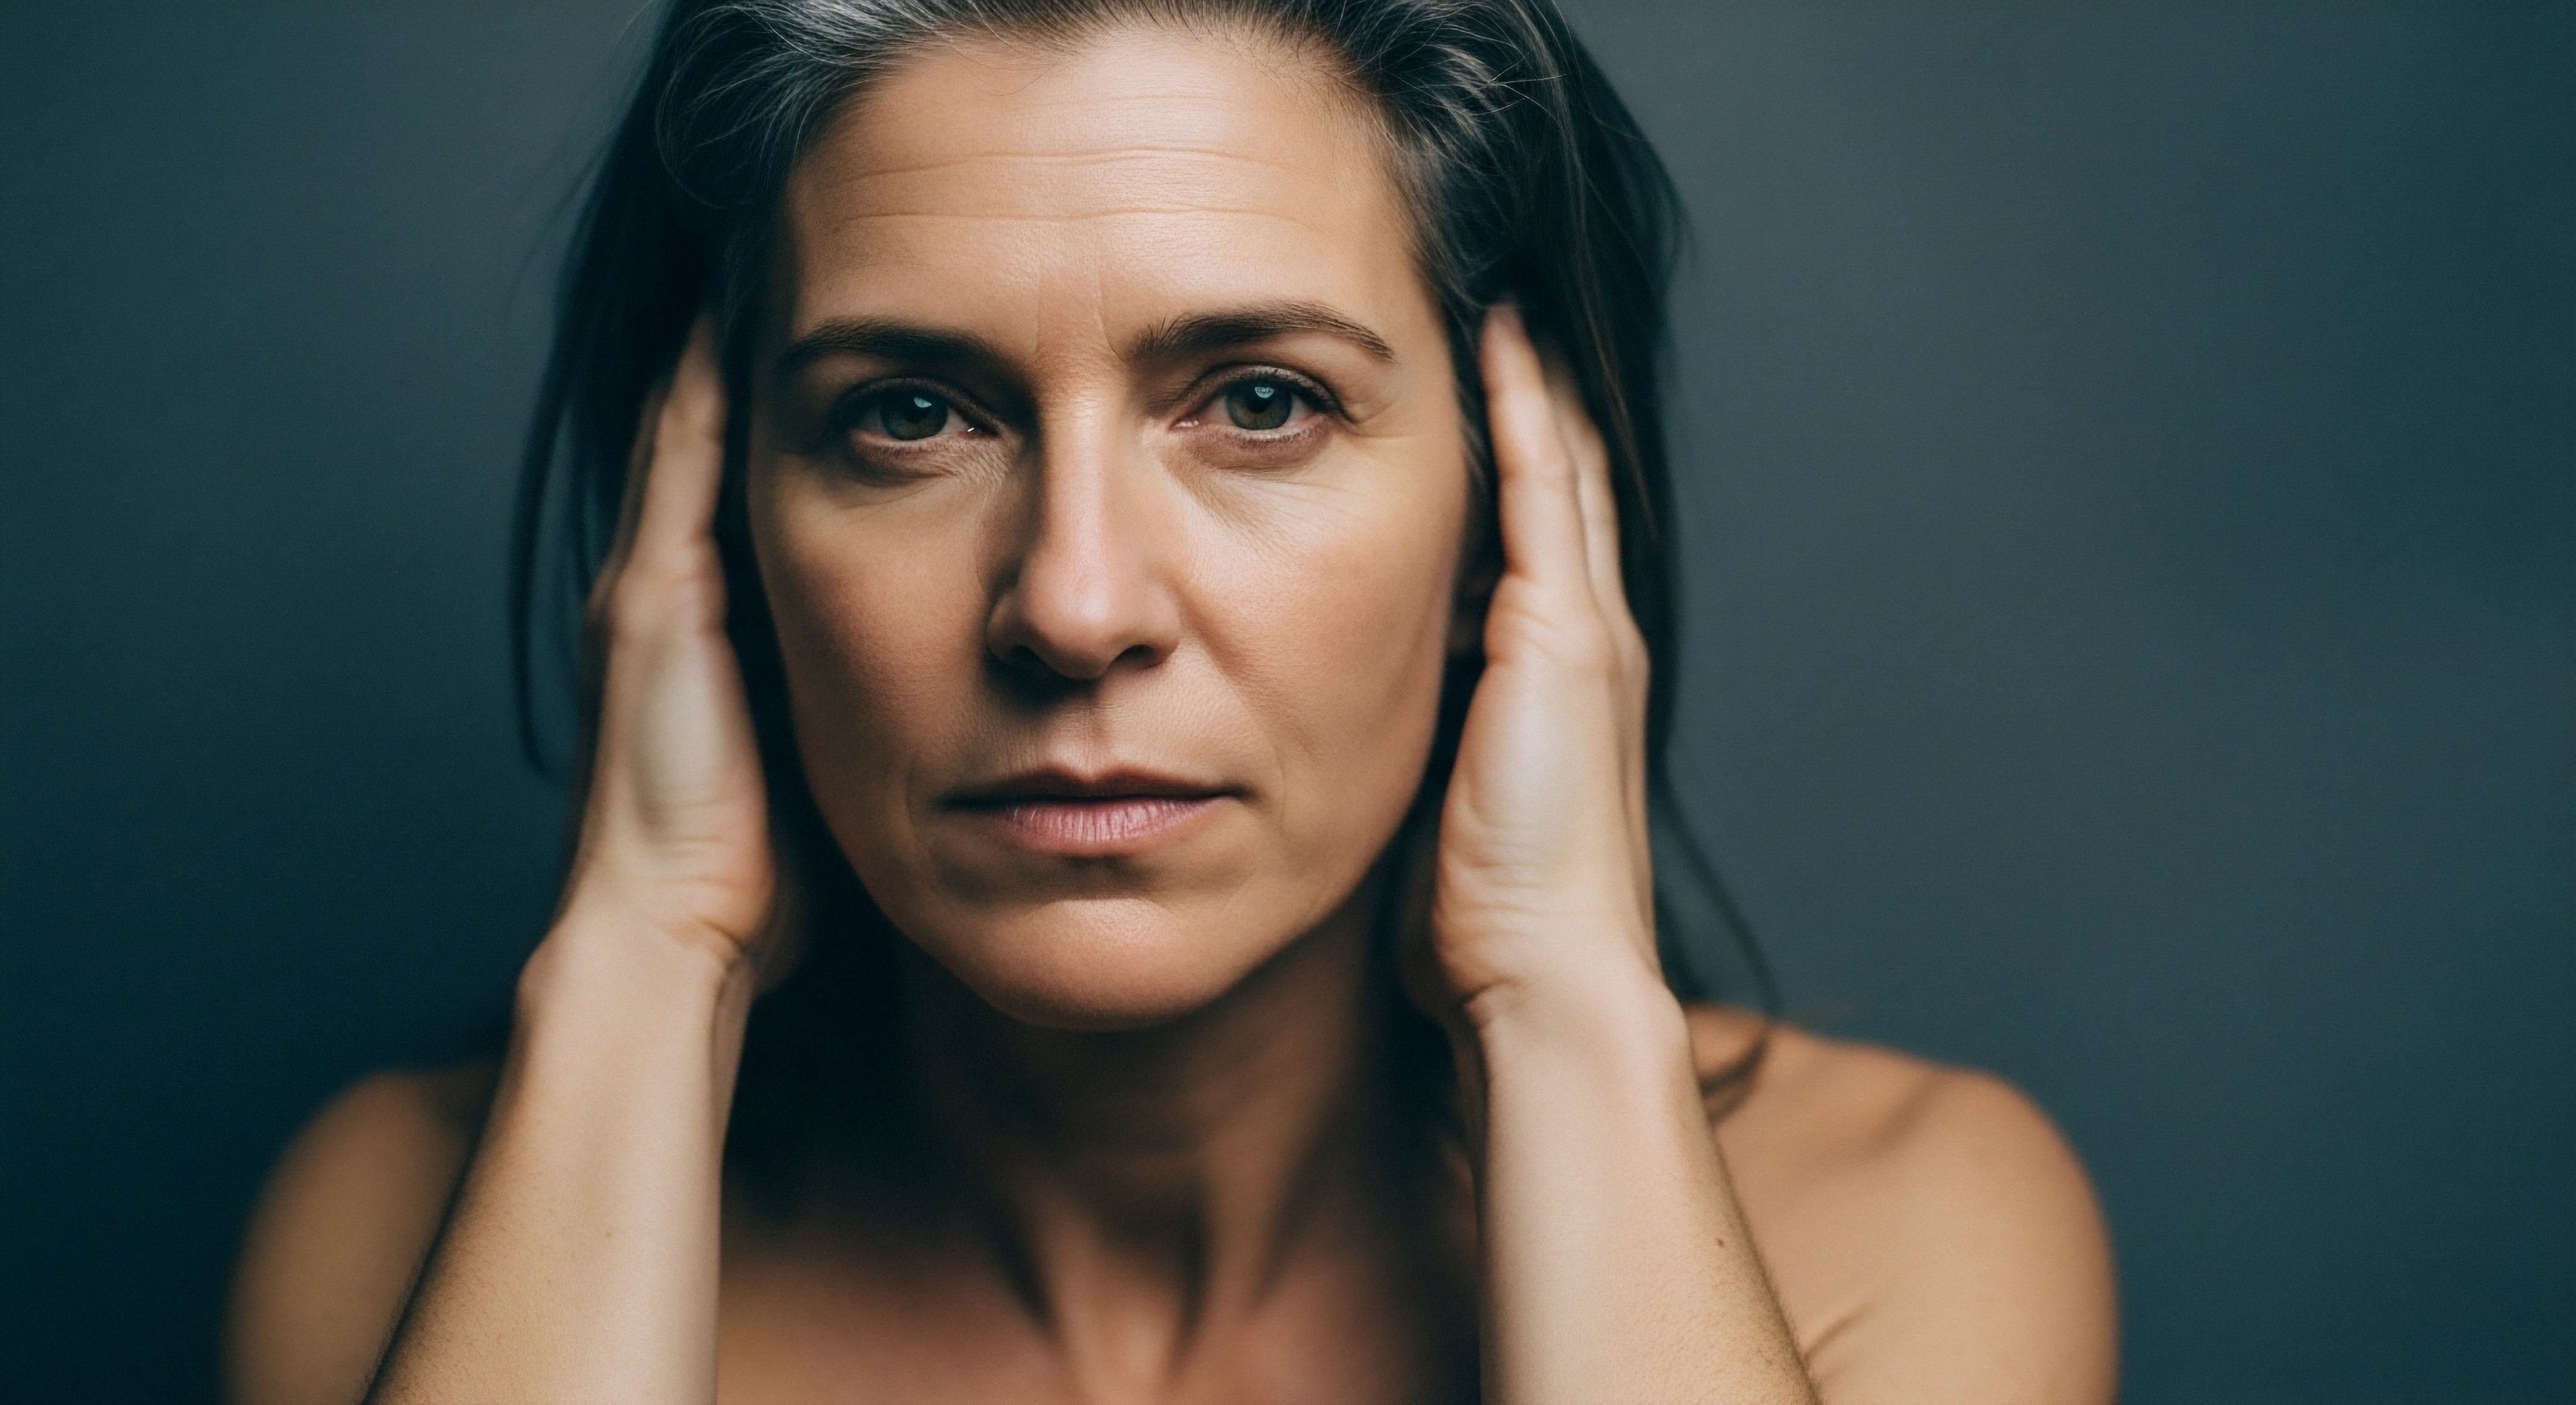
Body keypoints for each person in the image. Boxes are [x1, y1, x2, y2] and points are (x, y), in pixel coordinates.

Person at [226, 2, 2116, 1401]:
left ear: (1506, 517)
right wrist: (646, 965)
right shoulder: (410, 1225)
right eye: (909, 415)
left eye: (1261, 403)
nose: (1075, 604)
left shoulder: (1903, 1227)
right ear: (714, 526)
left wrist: (1560, 1000)